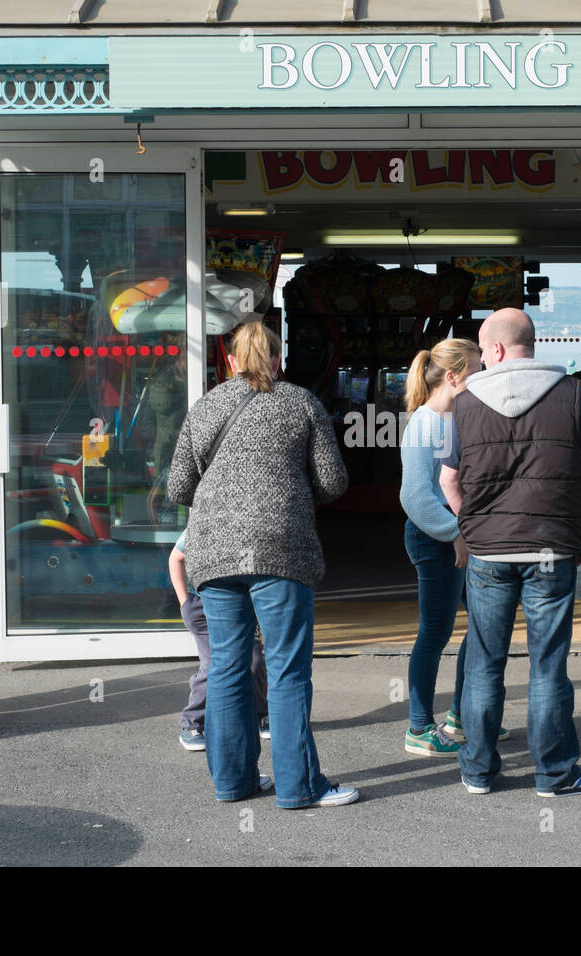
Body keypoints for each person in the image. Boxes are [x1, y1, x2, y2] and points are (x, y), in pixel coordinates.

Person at [167, 321, 356, 808]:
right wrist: (286, 490)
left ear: (230, 361)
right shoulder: (300, 403)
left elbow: (178, 489)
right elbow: (333, 482)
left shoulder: (205, 406)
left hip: (212, 550)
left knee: (228, 666)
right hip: (280, 548)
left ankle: (233, 782)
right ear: (277, 359)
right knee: (287, 669)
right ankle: (300, 787)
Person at [439, 308, 581, 797]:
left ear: (494, 349)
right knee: (547, 664)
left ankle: (477, 772)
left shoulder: (467, 401)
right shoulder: (573, 395)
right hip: (551, 550)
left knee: (483, 662)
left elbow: (447, 479)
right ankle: (556, 775)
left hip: (489, 554)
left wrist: (471, 527)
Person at [398, 338, 482, 758]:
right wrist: (456, 533)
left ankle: (462, 716)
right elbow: (414, 497)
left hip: (452, 539)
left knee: (483, 623)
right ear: (452, 377)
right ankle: (419, 728)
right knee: (435, 633)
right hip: (435, 541)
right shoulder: (426, 424)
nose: (483, 379)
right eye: (476, 373)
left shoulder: (451, 419)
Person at [167, 526, 270, 751]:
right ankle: (192, 723)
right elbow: (176, 559)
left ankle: (262, 715)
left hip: (241, 606)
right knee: (213, 663)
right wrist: (185, 602)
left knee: (254, 660)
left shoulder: (252, 528)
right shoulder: (202, 525)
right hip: (202, 606)